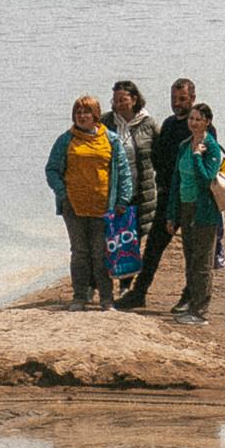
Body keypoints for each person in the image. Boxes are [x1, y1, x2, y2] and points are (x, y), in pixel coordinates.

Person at [46, 92, 132, 312]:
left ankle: (106, 299)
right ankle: (79, 297)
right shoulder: (66, 139)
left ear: (96, 116)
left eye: (86, 112)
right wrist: (63, 193)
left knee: (101, 253)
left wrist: (123, 200)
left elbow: (124, 172)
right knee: (80, 253)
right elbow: (52, 170)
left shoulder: (110, 140)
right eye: (78, 112)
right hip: (73, 207)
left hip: (104, 207)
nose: (81, 116)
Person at [118, 77, 197, 312]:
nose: (177, 103)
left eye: (182, 99)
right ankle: (138, 293)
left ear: (192, 98)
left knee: (193, 251)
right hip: (166, 196)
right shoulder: (169, 123)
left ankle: (190, 297)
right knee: (153, 247)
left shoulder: (199, 123)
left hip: (191, 197)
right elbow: (158, 156)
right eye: (174, 99)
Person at [167, 97, 225, 320]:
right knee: (190, 259)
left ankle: (200, 312)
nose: (193, 123)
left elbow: (206, 179)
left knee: (202, 261)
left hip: (205, 210)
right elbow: (176, 181)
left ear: (207, 122)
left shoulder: (211, 147)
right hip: (185, 206)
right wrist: (172, 215)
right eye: (191, 119)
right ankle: (191, 303)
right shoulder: (184, 145)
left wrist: (197, 156)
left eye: (198, 119)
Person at [108, 80, 158, 301]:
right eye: (115, 100)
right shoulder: (106, 123)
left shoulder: (148, 124)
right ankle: (100, 284)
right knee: (108, 239)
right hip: (113, 193)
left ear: (134, 99)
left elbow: (161, 154)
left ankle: (125, 287)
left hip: (142, 191)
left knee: (132, 241)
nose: (118, 104)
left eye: (123, 99)